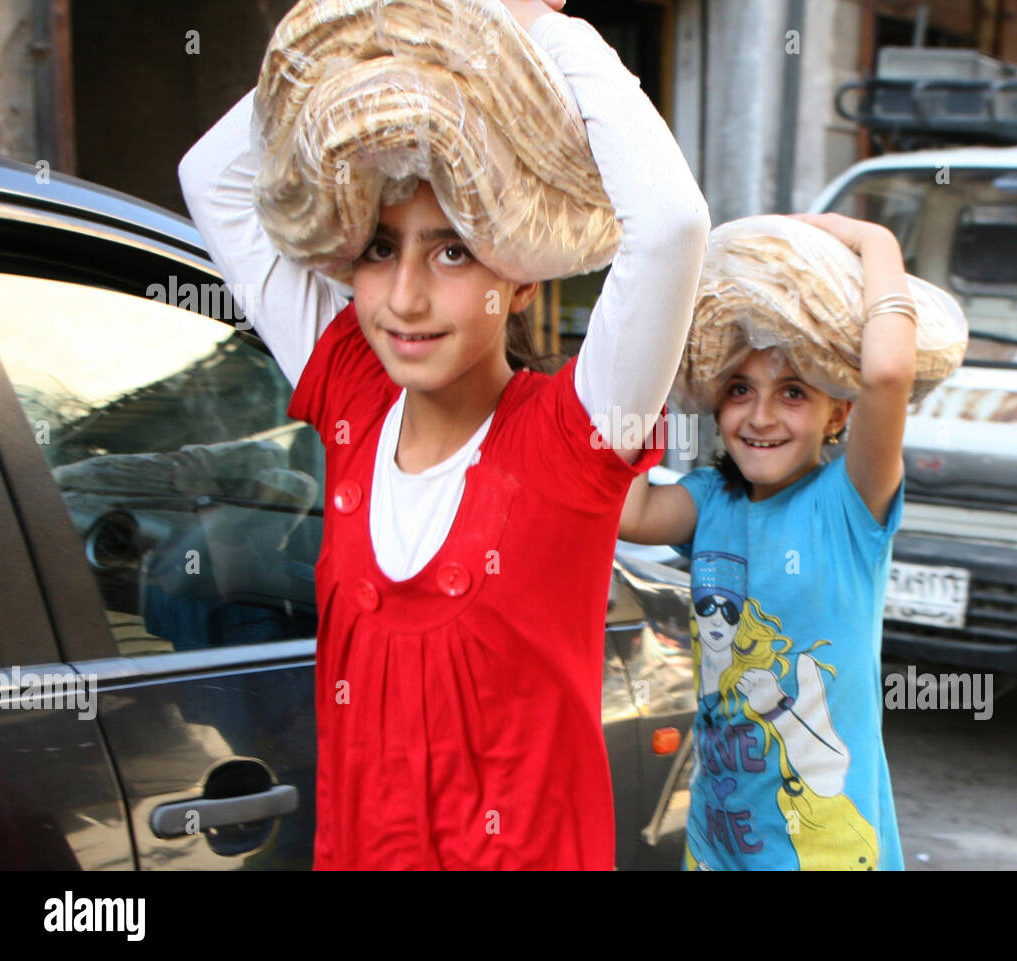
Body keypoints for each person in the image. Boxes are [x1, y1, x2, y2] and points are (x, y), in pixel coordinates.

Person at [178, 0, 709, 869]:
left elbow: (672, 225)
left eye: (454, 250)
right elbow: (212, 175)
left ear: (525, 276)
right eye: (381, 249)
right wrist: (387, 18)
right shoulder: (355, 396)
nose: (407, 297)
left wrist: (522, 30)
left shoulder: (573, 443)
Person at [618, 213, 916, 870]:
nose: (759, 416)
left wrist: (872, 240)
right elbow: (625, 509)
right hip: (719, 836)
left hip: (825, 848)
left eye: (792, 392)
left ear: (837, 411)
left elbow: (889, 373)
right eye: (738, 390)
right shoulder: (708, 499)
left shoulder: (848, 503)